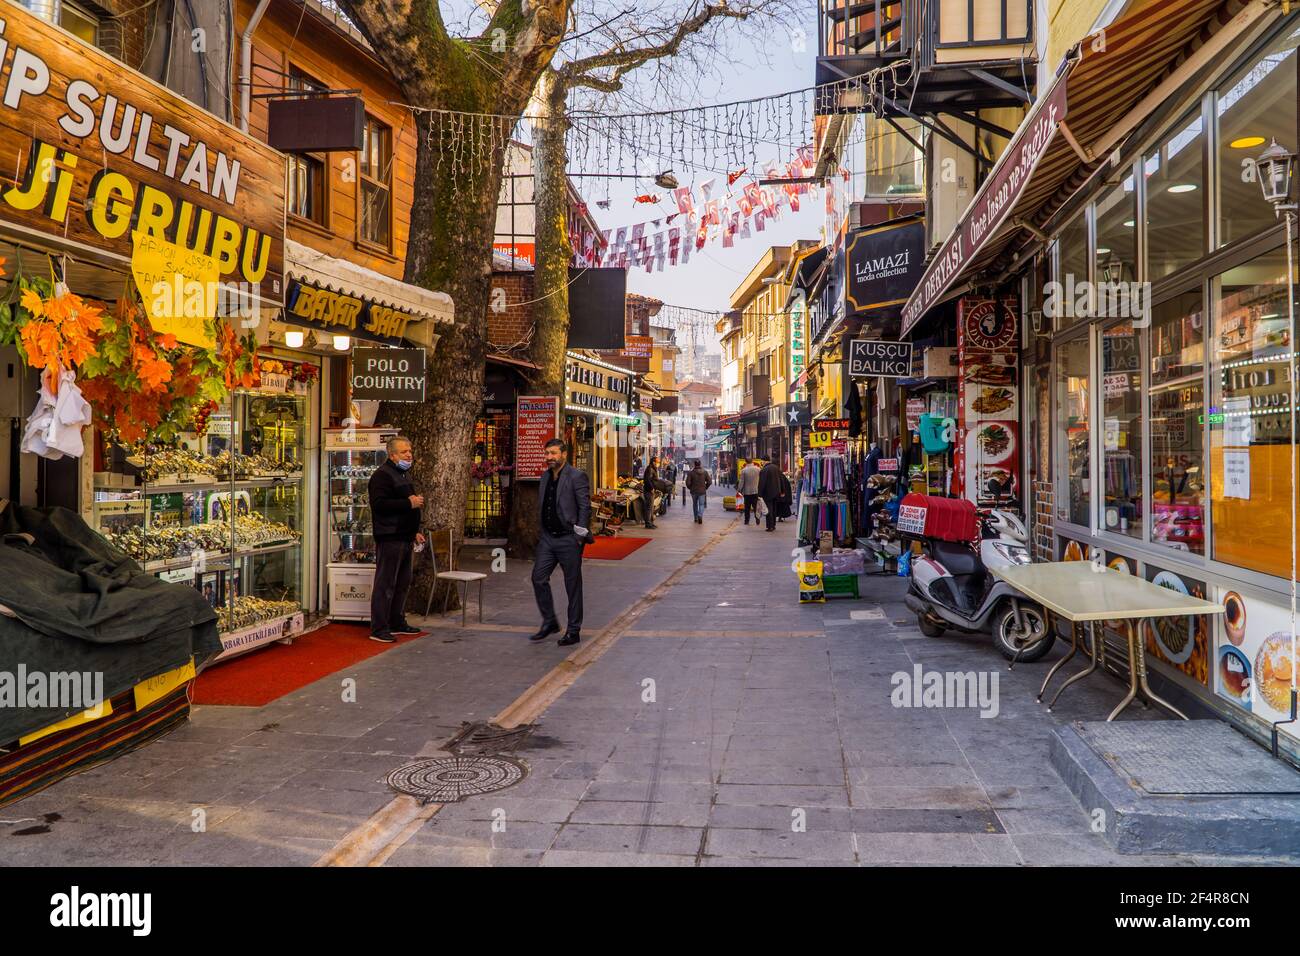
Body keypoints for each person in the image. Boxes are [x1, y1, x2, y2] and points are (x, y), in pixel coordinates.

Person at [530, 438, 591, 647]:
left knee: (572, 586)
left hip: (568, 538)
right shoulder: (545, 477)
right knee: (538, 578)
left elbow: (585, 507)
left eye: (553, 453)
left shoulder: (576, 476)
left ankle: (573, 630)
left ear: (564, 454)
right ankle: (550, 622)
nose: (549, 458)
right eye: (547, 453)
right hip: (548, 539)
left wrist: (579, 537)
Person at [367, 435, 427, 643]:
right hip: (390, 536)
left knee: (402, 582)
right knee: (385, 583)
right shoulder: (382, 476)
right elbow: (380, 505)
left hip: (404, 537)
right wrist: (408, 503)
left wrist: (413, 531)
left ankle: (396, 621)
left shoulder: (402, 474)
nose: (409, 455)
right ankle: (379, 628)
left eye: (410, 451)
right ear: (392, 455)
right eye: (404, 452)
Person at [758, 457, 783, 532]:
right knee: (774, 509)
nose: (761, 463)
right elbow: (781, 479)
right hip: (776, 492)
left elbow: (762, 483)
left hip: (768, 493)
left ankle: (770, 526)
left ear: (764, 461)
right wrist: (782, 490)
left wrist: (759, 493)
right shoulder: (776, 468)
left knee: (769, 509)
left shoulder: (764, 470)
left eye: (762, 461)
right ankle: (774, 525)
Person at [686, 459, 711, 524]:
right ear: (700, 464)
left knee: (695, 504)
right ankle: (700, 515)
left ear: (694, 464)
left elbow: (688, 483)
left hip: (694, 491)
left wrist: (690, 488)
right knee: (701, 504)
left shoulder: (691, 473)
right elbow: (709, 482)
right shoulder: (705, 472)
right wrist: (705, 487)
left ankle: (696, 518)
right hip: (702, 491)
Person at [738, 458, 761, 526]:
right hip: (756, 491)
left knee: (747, 507)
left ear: (746, 462)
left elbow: (741, 481)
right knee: (755, 506)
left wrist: (739, 489)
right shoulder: (758, 469)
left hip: (747, 492)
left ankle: (746, 520)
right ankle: (757, 518)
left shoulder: (744, 470)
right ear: (752, 461)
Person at [641, 455, 659, 529]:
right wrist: (651, 488)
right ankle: (648, 523)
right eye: (657, 462)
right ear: (653, 462)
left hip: (651, 490)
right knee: (649, 507)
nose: (658, 463)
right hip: (649, 491)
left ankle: (651, 522)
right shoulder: (650, 469)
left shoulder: (653, 468)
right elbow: (647, 480)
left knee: (651, 507)